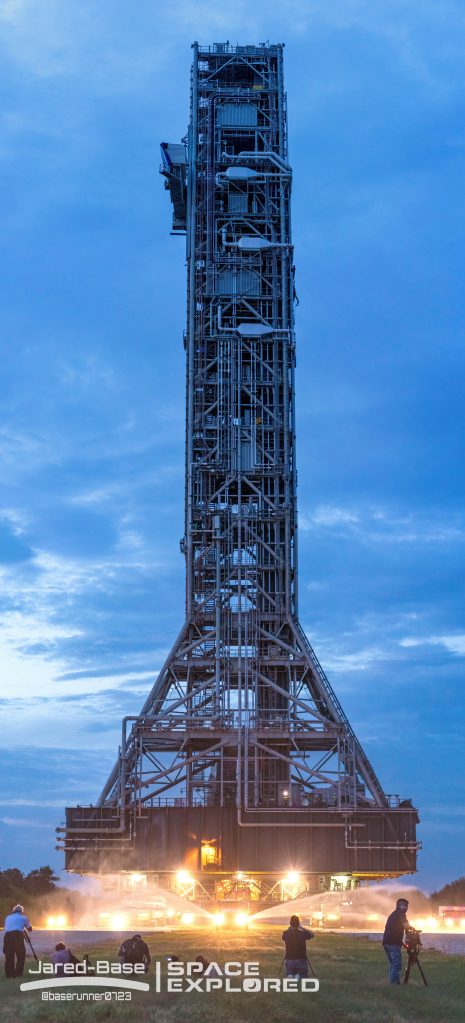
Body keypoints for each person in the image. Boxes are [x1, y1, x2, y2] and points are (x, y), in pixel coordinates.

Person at [382, 898, 410, 984]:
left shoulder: (393, 914)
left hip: (387, 942)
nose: (406, 908)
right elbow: (406, 925)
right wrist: (410, 933)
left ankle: (395, 983)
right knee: (397, 965)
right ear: (401, 906)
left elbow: (393, 932)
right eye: (405, 906)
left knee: (393, 964)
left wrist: (403, 944)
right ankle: (394, 983)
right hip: (393, 943)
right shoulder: (400, 914)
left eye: (407, 906)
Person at [3, 904, 32, 978]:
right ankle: (18, 974)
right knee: (21, 955)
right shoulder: (24, 917)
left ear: (13, 911)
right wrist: (25, 925)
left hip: (7, 936)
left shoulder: (8, 917)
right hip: (18, 936)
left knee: (9, 955)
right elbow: (30, 929)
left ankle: (9, 974)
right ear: (21, 911)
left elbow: (6, 928)